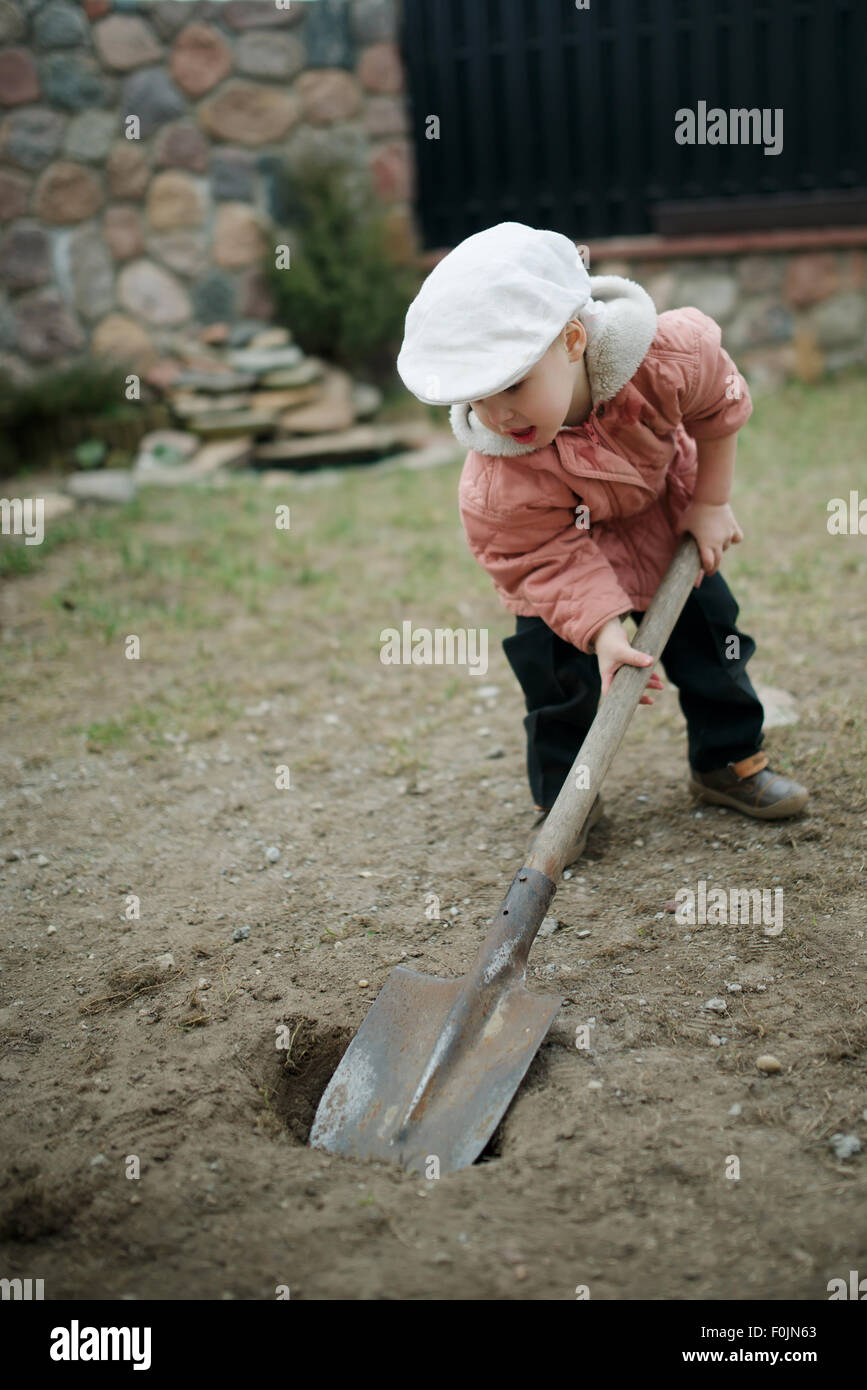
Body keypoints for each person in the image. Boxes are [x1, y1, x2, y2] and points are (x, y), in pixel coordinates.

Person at [397, 222, 808, 863]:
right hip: (564, 565)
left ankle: (728, 761)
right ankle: (570, 800)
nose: (500, 415)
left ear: (572, 339)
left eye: (511, 385)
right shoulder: (499, 475)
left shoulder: (661, 358)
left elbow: (719, 402)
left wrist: (709, 502)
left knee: (713, 639)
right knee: (557, 678)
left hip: (666, 523)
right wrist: (601, 630)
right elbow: (537, 556)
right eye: (478, 400)